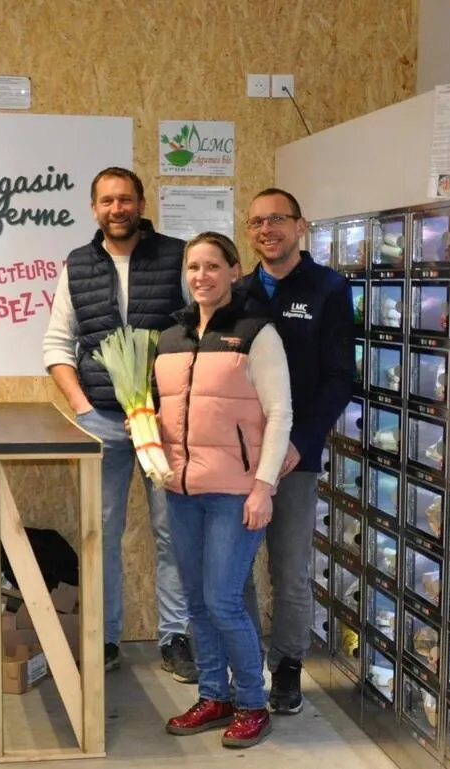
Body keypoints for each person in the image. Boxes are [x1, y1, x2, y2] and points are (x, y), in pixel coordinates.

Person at [43, 166, 195, 679]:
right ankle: (104, 638)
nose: (117, 209)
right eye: (107, 201)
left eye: (126, 199)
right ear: (94, 208)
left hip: (165, 423)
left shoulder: (176, 256)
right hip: (103, 420)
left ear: (141, 203)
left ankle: (175, 637)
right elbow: (56, 345)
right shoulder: (78, 264)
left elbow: (201, 329)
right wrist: (83, 409)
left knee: (171, 531)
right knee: (101, 532)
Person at [156, 232, 296, 749]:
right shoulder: (169, 337)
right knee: (196, 600)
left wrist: (263, 486)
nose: (201, 276)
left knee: (222, 599)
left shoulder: (256, 333)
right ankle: (214, 694)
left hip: (236, 492)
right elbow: (163, 411)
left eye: (213, 266)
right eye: (194, 267)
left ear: (234, 271)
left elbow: (281, 413)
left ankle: (252, 702)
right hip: (182, 490)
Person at [239, 188, 355, 714]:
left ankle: (287, 667)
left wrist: (300, 443)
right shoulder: (238, 292)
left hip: (295, 457)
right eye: (258, 222)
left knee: (289, 570)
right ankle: (244, 666)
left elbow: (338, 379)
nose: (268, 230)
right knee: (233, 571)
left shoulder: (328, 288)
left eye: (278, 219)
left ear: (300, 226)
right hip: (238, 458)